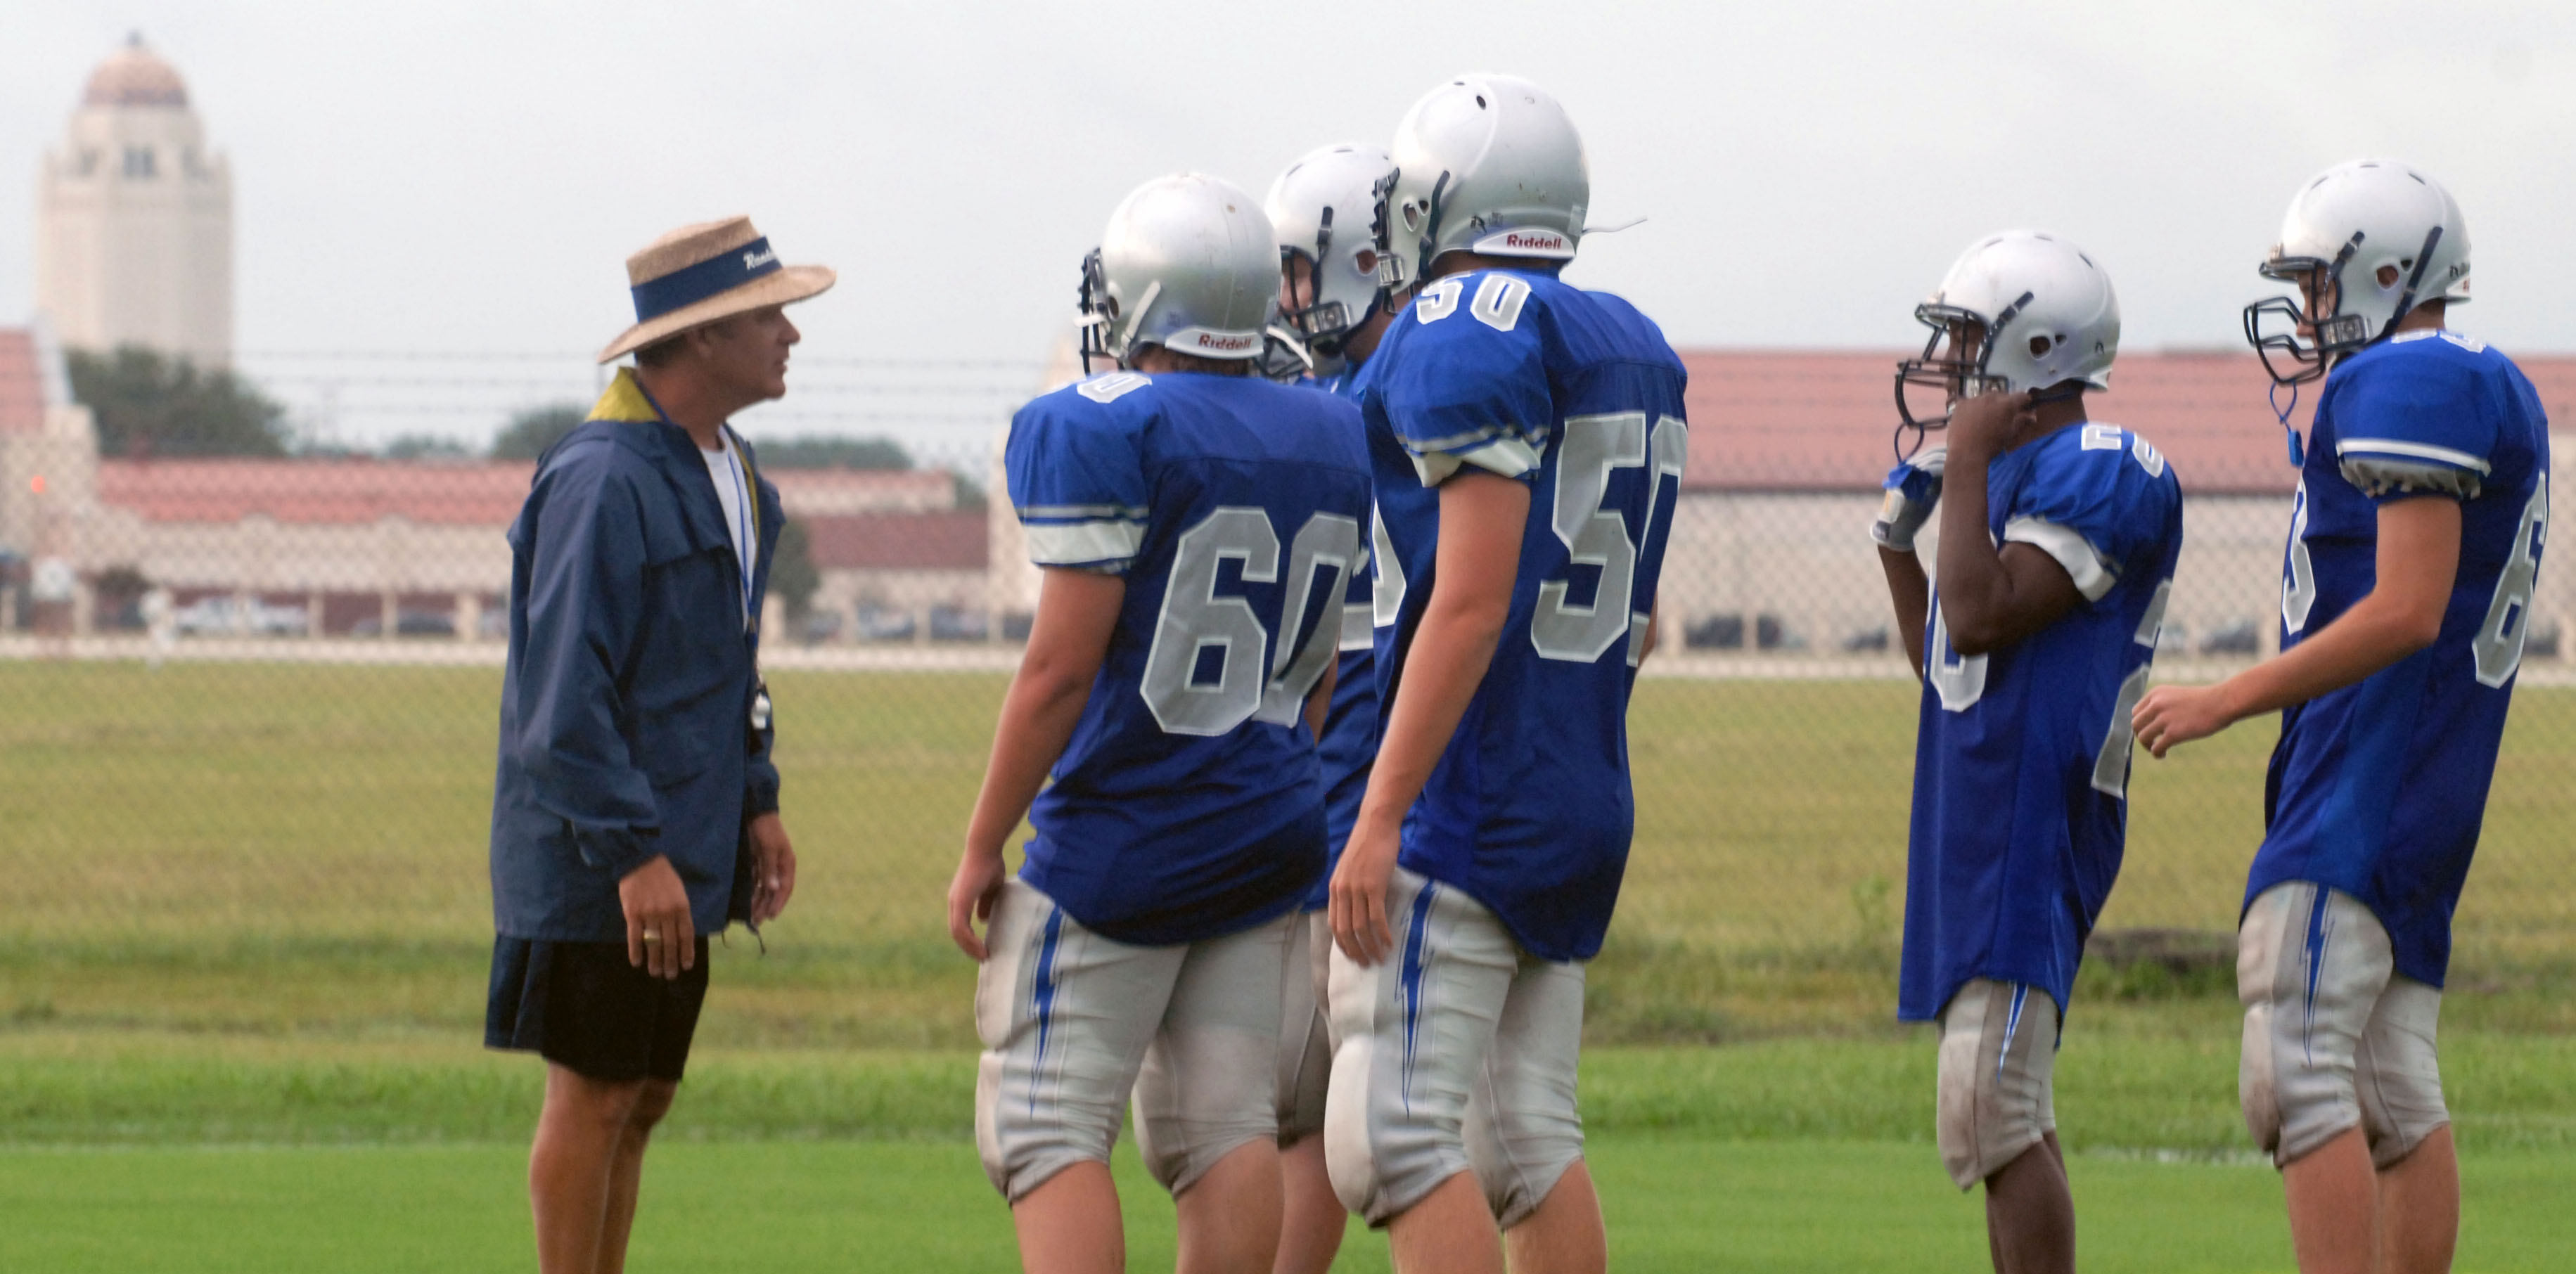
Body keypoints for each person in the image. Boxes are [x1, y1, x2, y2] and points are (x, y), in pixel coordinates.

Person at [947, 172, 1371, 1274]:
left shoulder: (1103, 425)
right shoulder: (1329, 431)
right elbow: (1317, 674)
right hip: (1269, 824)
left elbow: (1056, 669)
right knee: (1222, 1129)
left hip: (1123, 841)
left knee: (1045, 1127)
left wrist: (981, 839)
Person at [2134, 160, 2547, 1274]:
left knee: (2297, 1066)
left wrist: (2225, 699)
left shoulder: (2406, 381)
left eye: (2321, 285)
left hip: (2367, 788)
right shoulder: (2486, 381)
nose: (2310, 312)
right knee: (2394, 1088)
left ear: (2381, 269)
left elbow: (2408, 609)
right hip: (2426, 787)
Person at [1324, 74, 1683, 1274]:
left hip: (1470, 789)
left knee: (1391, 1139)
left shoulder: (1461, 324)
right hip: (1576, 775)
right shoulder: (1628, 339)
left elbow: (1471, 600)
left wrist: (1378, 814)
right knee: (1524, 1136)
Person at [485, 214, 824, 1274]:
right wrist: (634, 855)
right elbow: (562, 696)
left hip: (690, 846)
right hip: (607, 861)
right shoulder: (602, 478)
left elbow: (730, 668)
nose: (790, 336)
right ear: (700, 337)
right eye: (769, 314)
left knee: (645, 1093)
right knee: (593, 1094)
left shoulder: (737, 473)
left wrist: (756, 800)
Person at [1875, 231, 2184, 1274]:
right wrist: (1894, 549)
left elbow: (1984, 610)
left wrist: (1963, 464)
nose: (1953, 366)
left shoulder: (2101, 469)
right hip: (1975, 807)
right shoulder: (2010, 480)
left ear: (2034, 348)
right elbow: (1947, 664)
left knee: (1989, 1109)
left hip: (2030, 817)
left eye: (1969, 341)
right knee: (2004, 1109)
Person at [1255, 139, 1411, 1274]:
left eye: (1302, 272)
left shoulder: (1364, 404)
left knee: (1328, 1118)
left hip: (1352, 779)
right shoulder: (1372, 391)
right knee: (1311, 1113)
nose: (1288, 299)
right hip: (1355, 773)